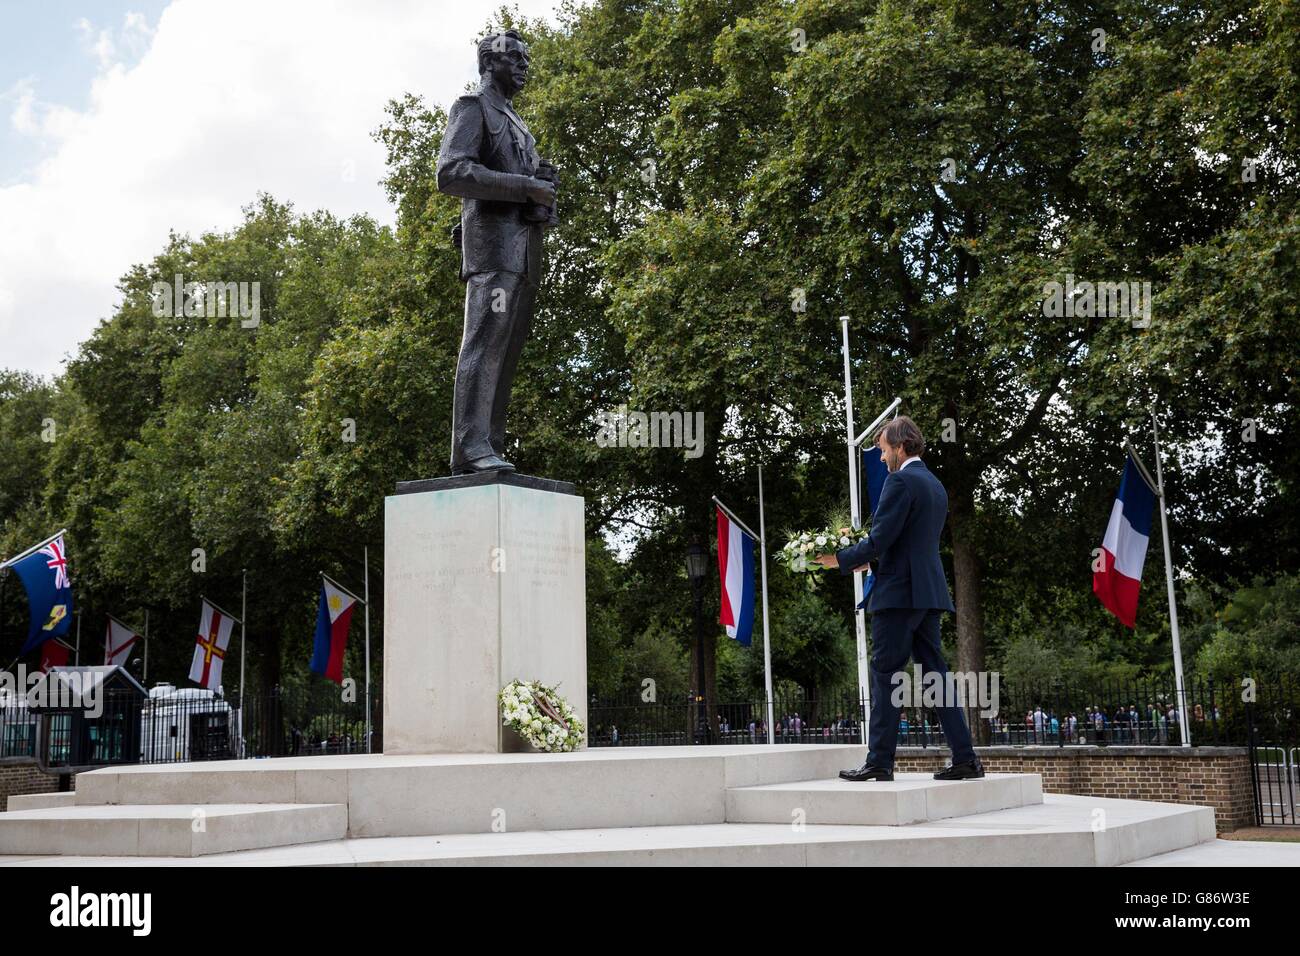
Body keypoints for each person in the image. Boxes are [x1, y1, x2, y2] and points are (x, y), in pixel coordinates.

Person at [813, 416, 981, 782]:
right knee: (936, 677)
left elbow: (881, 538)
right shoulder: (935, 484)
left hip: (898, 595)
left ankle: (879, 761)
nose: (883, 455)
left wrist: (838, 559)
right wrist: (870, 560)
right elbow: (908, 542)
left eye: (885, 449)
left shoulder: (900, 480)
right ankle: (966, 758)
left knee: (885, 675)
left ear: (901, 446)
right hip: (928, 593)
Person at [436, 30, 560, 474]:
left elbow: (523, 190)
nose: (526, 66)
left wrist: (541, 196)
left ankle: (488, 445)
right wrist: (525, 186)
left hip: (523, 250)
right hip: (490, 250)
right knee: (483, 347)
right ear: (490, 63)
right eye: (517, 59)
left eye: (526, 59)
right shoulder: (472, 108)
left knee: (504, 354)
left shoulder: (517, 123)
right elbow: (452, 173)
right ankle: (470, 448)